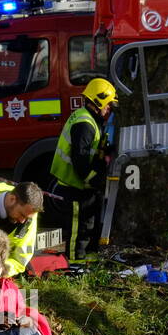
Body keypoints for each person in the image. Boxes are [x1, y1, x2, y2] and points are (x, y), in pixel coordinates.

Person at [49, 77, 117, 263]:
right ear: (98, 100)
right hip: (74, 185)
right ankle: (74, 264)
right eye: (108, 104)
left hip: (82, 186)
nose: (109, 108)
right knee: (78, 230)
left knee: (89, 224)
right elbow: (80, 162)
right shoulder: (85, 124)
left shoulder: (89, 119)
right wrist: (94, 181)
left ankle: (88, 258)